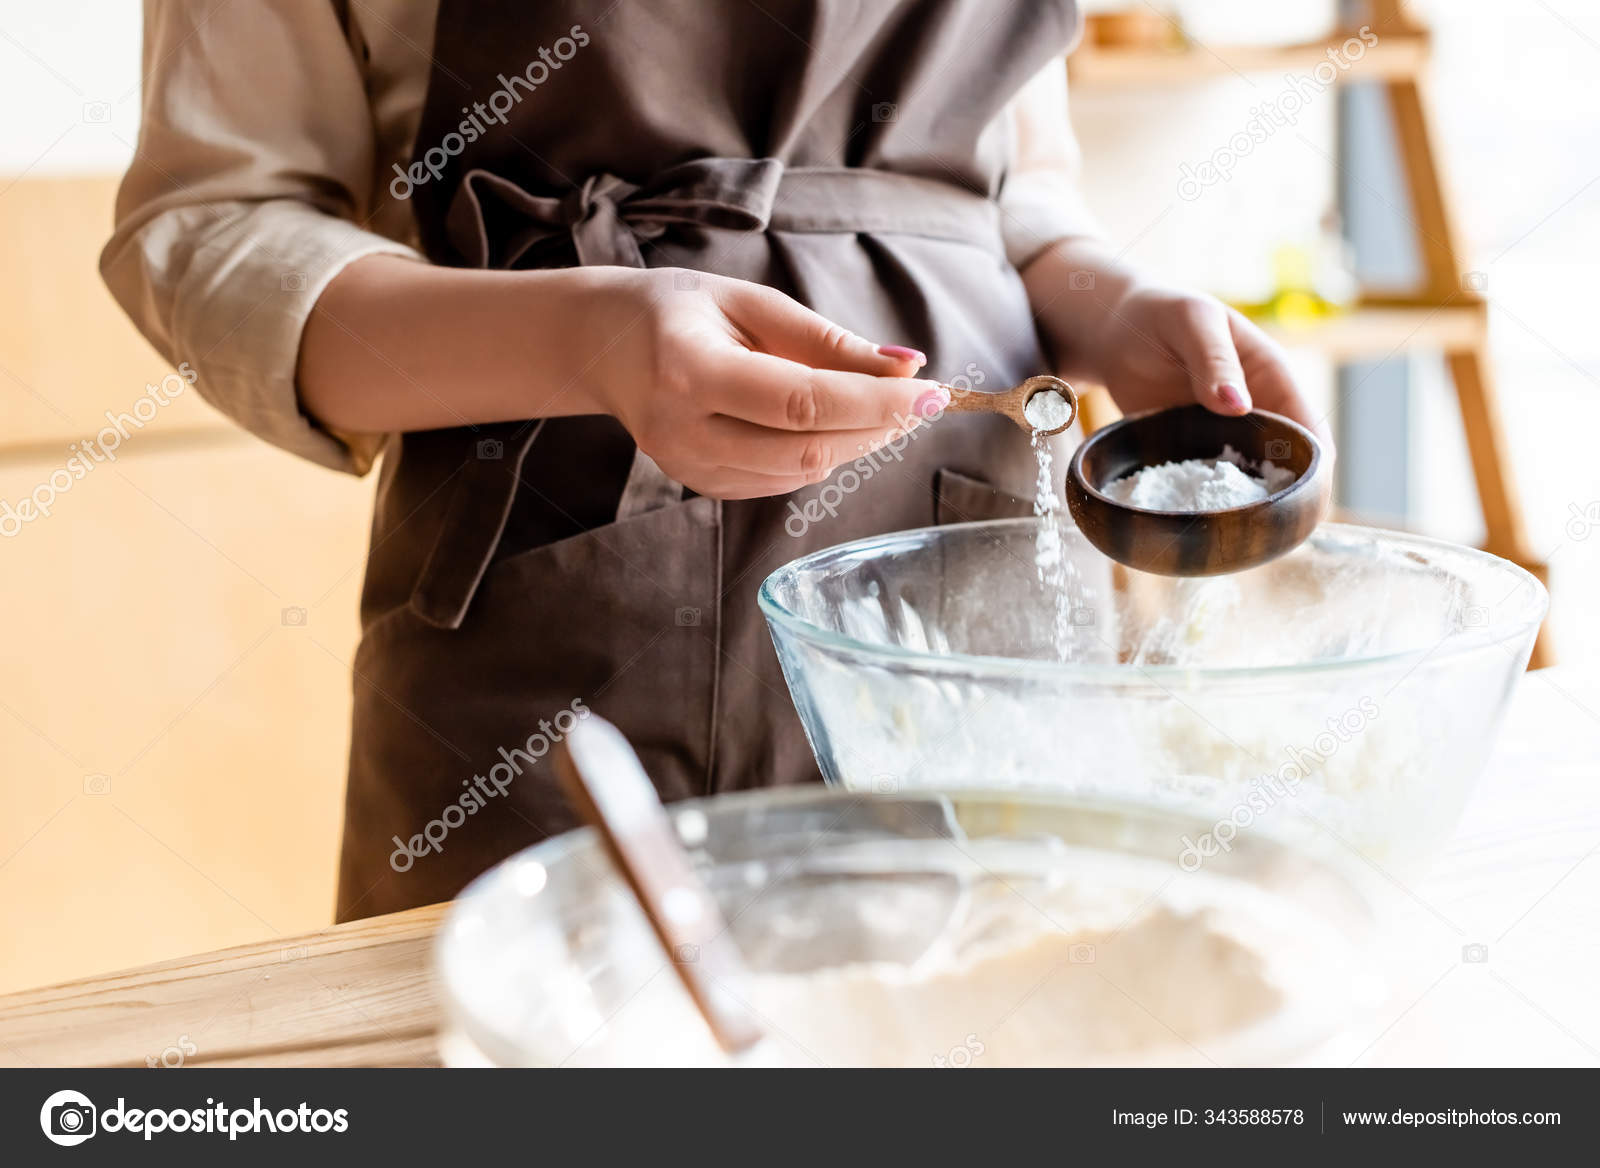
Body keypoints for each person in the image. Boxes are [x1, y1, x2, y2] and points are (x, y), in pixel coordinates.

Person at [103, 1, 1328, 920]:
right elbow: (212, 220)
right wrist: (584, 344)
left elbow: (1016, 185)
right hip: (547, 606)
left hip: (966, 602)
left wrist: (1106, 302)